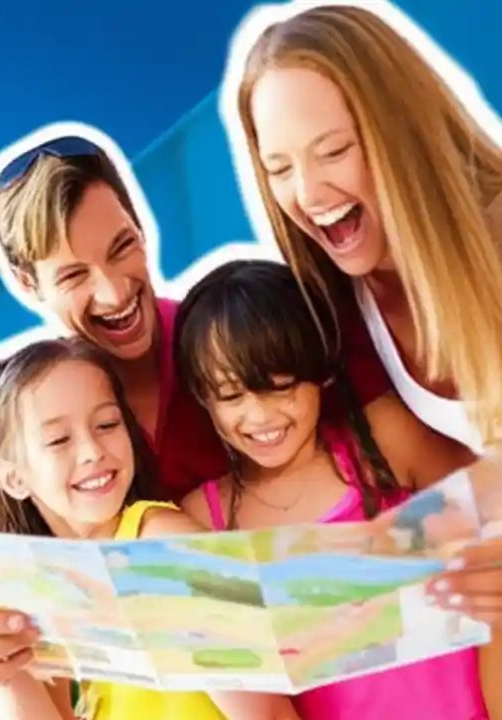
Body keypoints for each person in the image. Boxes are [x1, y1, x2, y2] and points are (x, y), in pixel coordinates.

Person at [224, 3, 502, 706]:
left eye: (334, 150)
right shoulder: (338, 311)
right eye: (279, 166)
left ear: (399, 129)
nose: (308, 194)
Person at [0, 128, 392, 528]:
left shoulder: (228, 338)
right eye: (73, 276)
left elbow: (372, 417)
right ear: (27, 284)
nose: (113, 293)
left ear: (142, 229)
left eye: (123, 246)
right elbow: (3, 565)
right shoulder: (17, 401)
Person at [172, 258, 490, 719]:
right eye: (231, 396)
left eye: (280, 387)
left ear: (320, 371)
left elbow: (490, 527)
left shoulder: (380, 440)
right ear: (203, 397)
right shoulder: (203, 519)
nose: (260, 417)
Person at [0, 335, 299, 720]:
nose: (92, 451)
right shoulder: (38, 595)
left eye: (107, 424)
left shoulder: (164, 549)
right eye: (58, 440)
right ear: (12, 477)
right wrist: (7, 670)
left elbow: (268, 713)